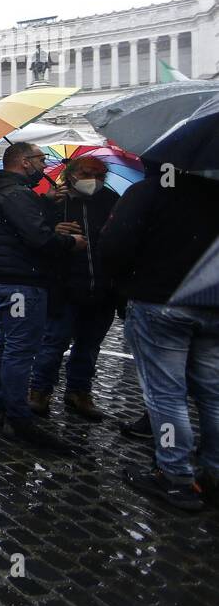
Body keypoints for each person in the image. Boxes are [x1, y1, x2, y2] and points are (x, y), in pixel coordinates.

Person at [101, 165, 219, 511]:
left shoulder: (150, 192)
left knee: (166, 393)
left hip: (160, 302)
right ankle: (213, 469)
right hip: (212, 304)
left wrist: (129, 282)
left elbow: (114, 245)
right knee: (213, 393)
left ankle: (175, 476)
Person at [0, 143, 85, 451]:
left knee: (3, 341)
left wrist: (42, 204)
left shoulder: (1, 191)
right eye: (40, 160)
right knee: (18, 349)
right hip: (21, 282)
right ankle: (18, 418)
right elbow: (39, 238)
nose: (44, 167)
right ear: (23, 162)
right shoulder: (15, 195)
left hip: (2, 279)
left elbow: (17, 228)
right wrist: (70, 241)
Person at [27, 157, 119, 422]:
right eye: (86, 172)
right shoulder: (53, 201)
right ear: (71, 174)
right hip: (63, 288)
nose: (93, 178)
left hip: (102, 289)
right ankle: (40, 390)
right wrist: (55, 230)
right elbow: (35, 238)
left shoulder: (112, 202)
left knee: (89, 346)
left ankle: (79, 392)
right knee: (54, 342)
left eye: (99, 174)